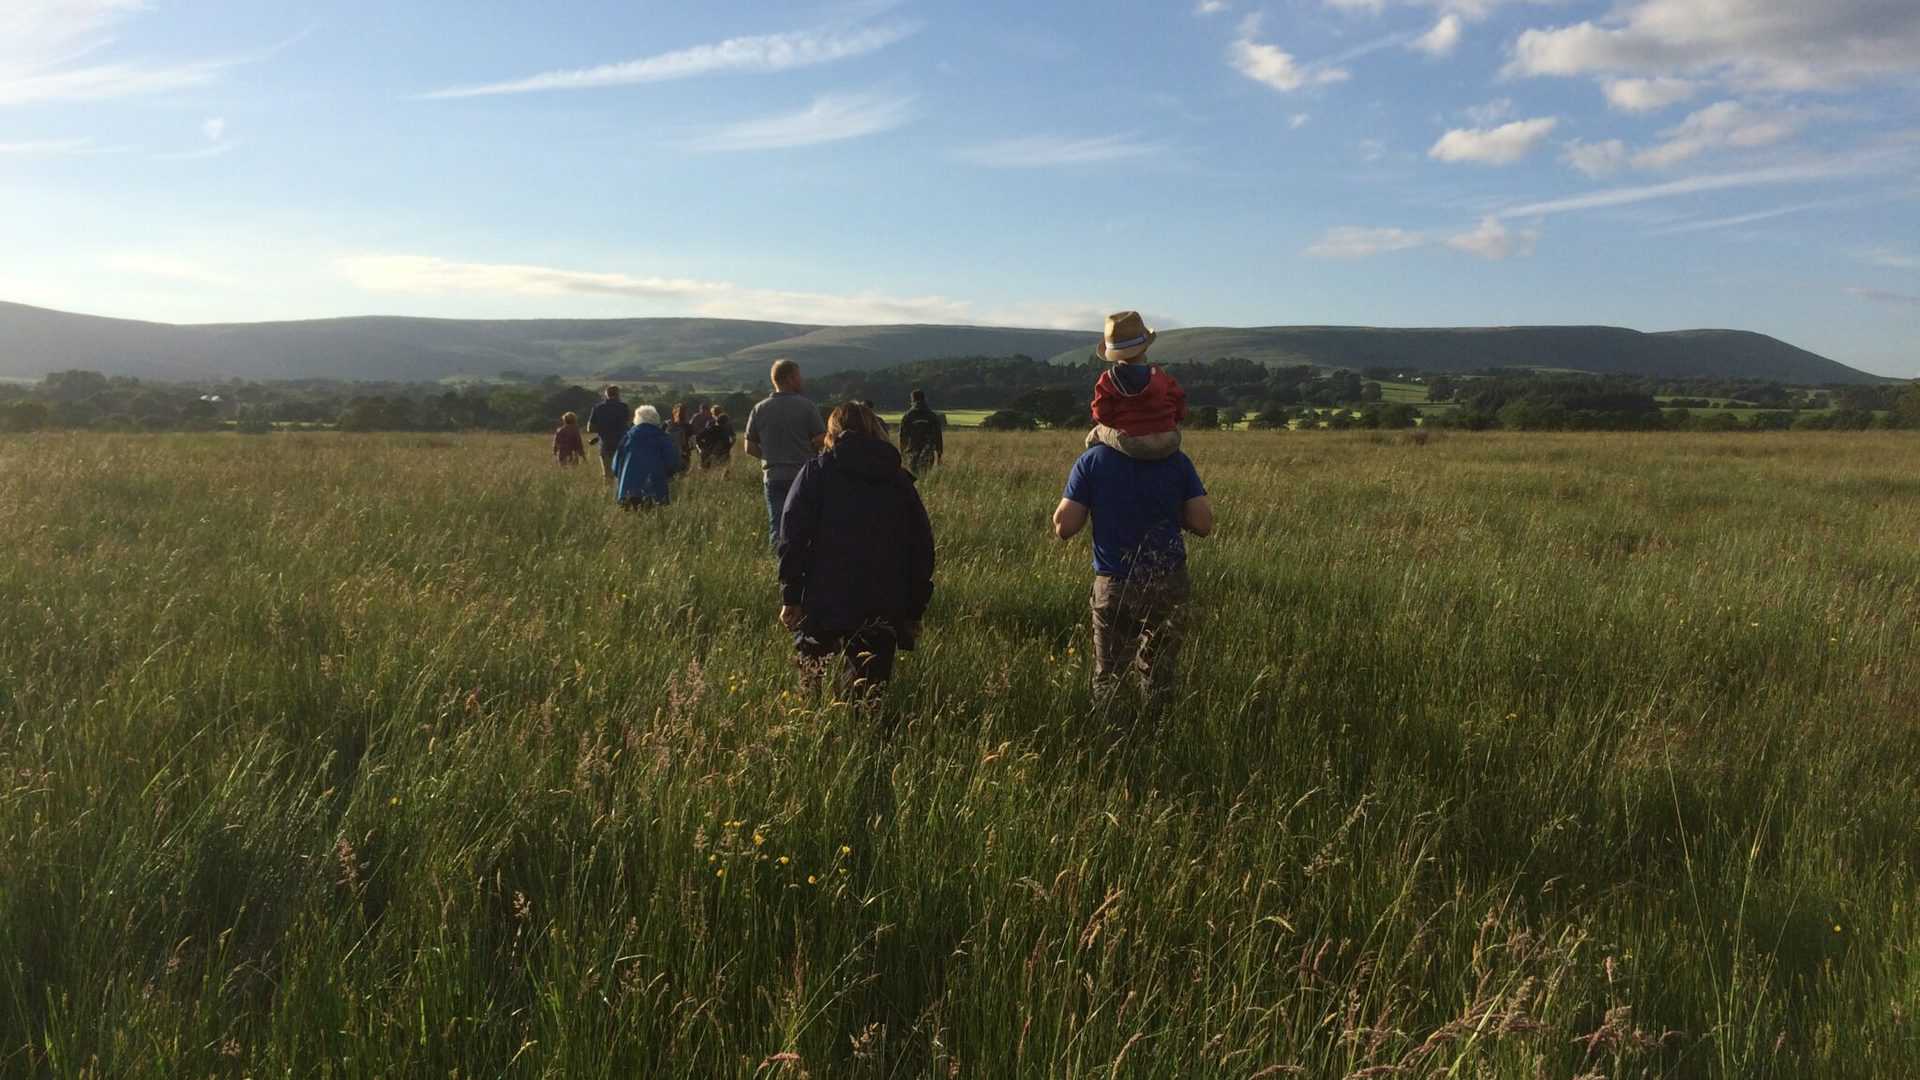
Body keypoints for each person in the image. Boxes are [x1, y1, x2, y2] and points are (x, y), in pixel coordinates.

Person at [778, 402, 935, 710]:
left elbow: (792, 538)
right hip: (883, 598)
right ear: (876, 430)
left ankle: (811, 735)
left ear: (832, 433)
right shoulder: (899, 480)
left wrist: (791, 596)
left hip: (823, 594)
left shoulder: (816, 472)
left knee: (810, 684)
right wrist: (914, 610)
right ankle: (865, 743)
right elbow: (921, 548)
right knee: (867, 695)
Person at [1051, 429, 1212, 708]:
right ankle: (1159, 736)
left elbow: (1064, 527)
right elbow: (1202, 523)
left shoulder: (1092, 460)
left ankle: (1114, 745)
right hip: (1169, 580)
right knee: (1160, 674)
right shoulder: (1177, 461)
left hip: (1116, 584)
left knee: (1110, 677)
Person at [1086, 310, 1187, 460]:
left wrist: (1121, 424)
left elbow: (1101, 414)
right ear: (1145, 347)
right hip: (1169, 440)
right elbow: (1180, 408)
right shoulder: (1162, 377)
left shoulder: (1107, 380)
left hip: (1132, 443)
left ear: (1113, 354)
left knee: (1095, 434)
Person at [745, 359, 826, 544]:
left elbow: (749, 447)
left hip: (773, 475)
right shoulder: (806, 406)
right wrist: (811, 447)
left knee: (777, 526)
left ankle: (780, 566)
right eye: (799, 377)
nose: (802, 380)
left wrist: (770, 456)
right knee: (806, 525)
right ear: (789, 379)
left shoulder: (759, 409)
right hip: (803, 474)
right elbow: (822, 438)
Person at [612, 404, 684, 508]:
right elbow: (673, 463)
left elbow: (615, 466)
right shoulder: (662, 438)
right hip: (656, 490)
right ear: (656, 420)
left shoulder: (627, 438)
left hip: (628, 492)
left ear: (636, 420)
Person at [586, 385, 634, 480]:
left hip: (605, 444)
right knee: (621, 474)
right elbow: (630, 425)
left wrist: (602, 429)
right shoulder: (624, 407)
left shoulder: (598, 408)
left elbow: (589, 428)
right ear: (618, 394)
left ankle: (607, 493)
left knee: (607, 475)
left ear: (606, 395)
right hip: (622, 444)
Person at [898, 389, 944, 473]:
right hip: (928, 452)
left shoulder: (908, 415)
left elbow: (902, 436)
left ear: (912, 399)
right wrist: (939, 454)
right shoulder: (932, 415)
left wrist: (902, 452)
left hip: (912, 452)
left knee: (914, 476)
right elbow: (938, 436)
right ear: (924, 399)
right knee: (925, 475)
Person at [666, 403, 696, 472]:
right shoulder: (689, 427)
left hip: (669, 455)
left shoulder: (667, 425)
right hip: (684, 454)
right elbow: (693, 444)